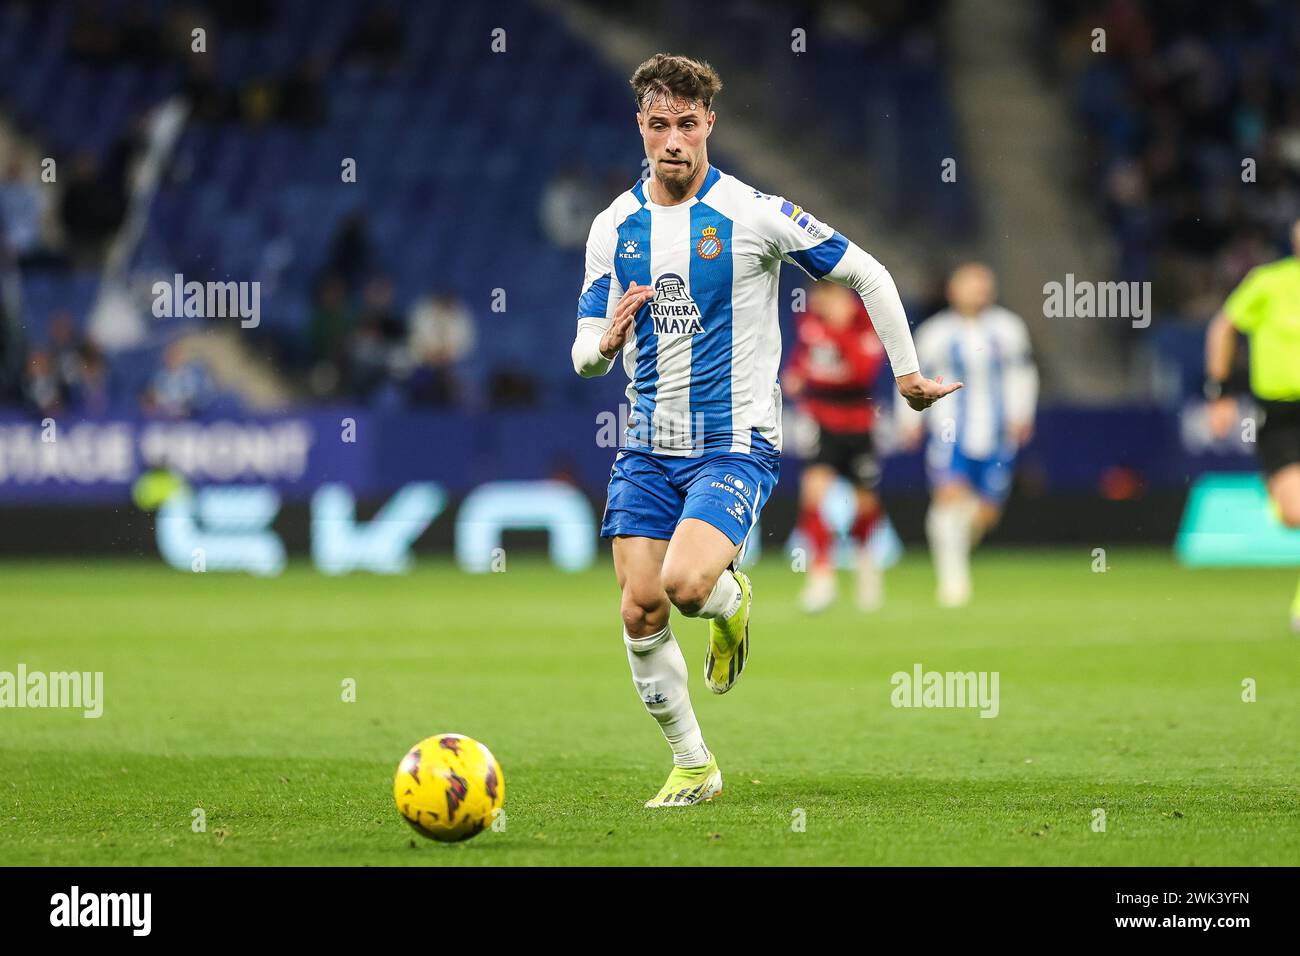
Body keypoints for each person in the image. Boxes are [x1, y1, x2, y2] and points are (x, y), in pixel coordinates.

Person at [570, 54, 958, 807]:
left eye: (688, 124)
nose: (673, 140)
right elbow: (584, 348)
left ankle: (726, 596)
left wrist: (907, 376)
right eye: (659, 125)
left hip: (735, 439)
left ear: (710, 123)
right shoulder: (614, 226)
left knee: (687, 586)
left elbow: (869, 273)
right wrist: (603, 347)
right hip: (648, 442)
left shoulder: (755, 214)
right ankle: (694, 765)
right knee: (638, 607)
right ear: (641, 127)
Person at [897, 263, 1037, 608]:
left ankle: (955, 557)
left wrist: (1023, 414)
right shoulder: (935, 333)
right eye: (970, 284)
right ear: (952, 290)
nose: (978, 291)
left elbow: (1024, 374)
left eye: (983, 284)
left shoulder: (1009, 329)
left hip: (996, 433)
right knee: (948, 497)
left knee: (985, 515)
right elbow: (907, 375)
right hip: (949, 431)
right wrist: (908, 419)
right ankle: (953, 581)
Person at [1205, 219, 1300, 632]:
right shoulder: (1269, 282)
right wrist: (1220, 391)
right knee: (1293, 512)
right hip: (1280, 414)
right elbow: (1224, 327)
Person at [783, 281, 890, 612]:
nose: (819, 303)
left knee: (865, 502)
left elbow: (861, 373)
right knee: (813, 492)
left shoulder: (864, 324)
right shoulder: (811, 325)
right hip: (822, 421)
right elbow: (801, 364)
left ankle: (866, 565)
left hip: (858, 424)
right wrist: (796, 375)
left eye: (826, 297)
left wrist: (839, 332)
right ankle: (821, 577)